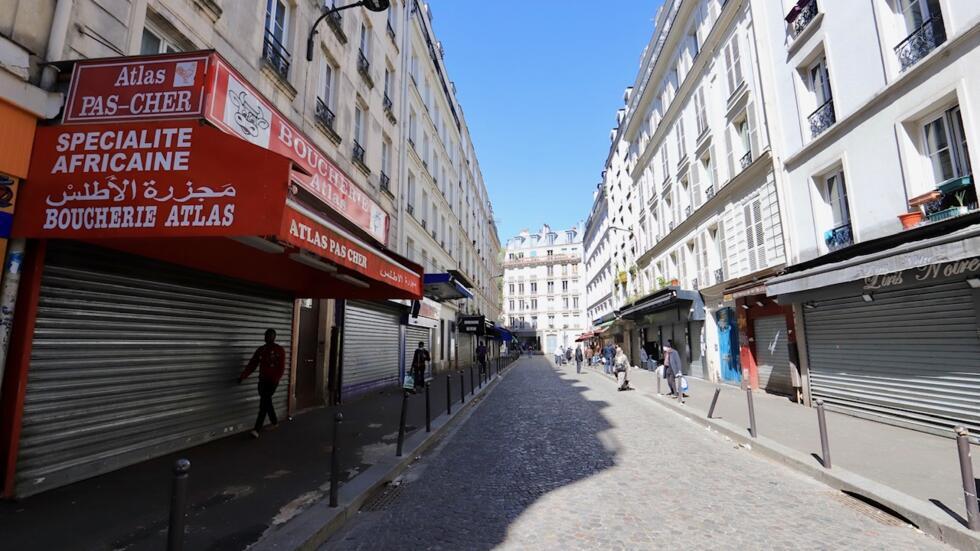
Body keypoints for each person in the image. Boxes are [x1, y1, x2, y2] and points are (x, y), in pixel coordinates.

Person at [239, 328, 286, 439]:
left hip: (272, 382)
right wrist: (243, 376)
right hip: (262, 381)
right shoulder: (261, 350)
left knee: (264, 404)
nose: (266, 337)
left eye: (269, 335)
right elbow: (252, 364)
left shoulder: (279, 350)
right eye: (265, 335)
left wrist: (276, 379)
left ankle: (256, 429)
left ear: (274, 337)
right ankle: (274, 422)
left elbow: (281, 368)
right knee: (266, 402)